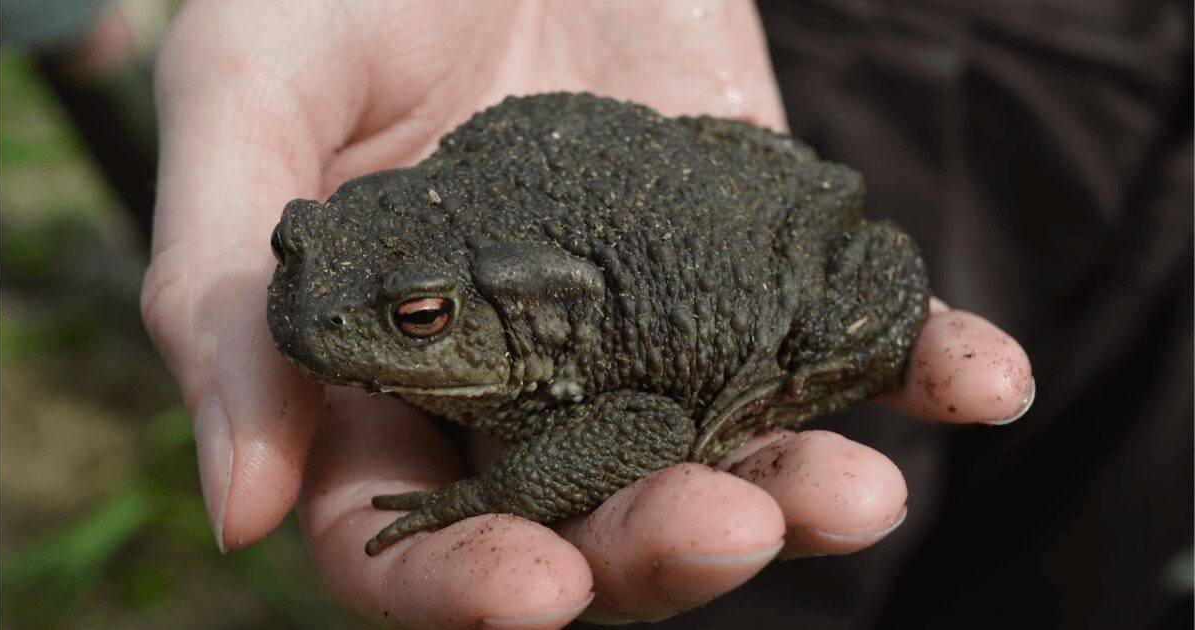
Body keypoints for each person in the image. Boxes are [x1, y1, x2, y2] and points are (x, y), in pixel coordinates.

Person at [145, 2, 1081, 627]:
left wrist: (492, 494)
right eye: (290, 248)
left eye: (417, 316)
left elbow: (653, 420)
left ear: (485, 318)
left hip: (769, 253)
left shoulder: (554, 343)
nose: (316, 312)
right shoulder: (393, 232)